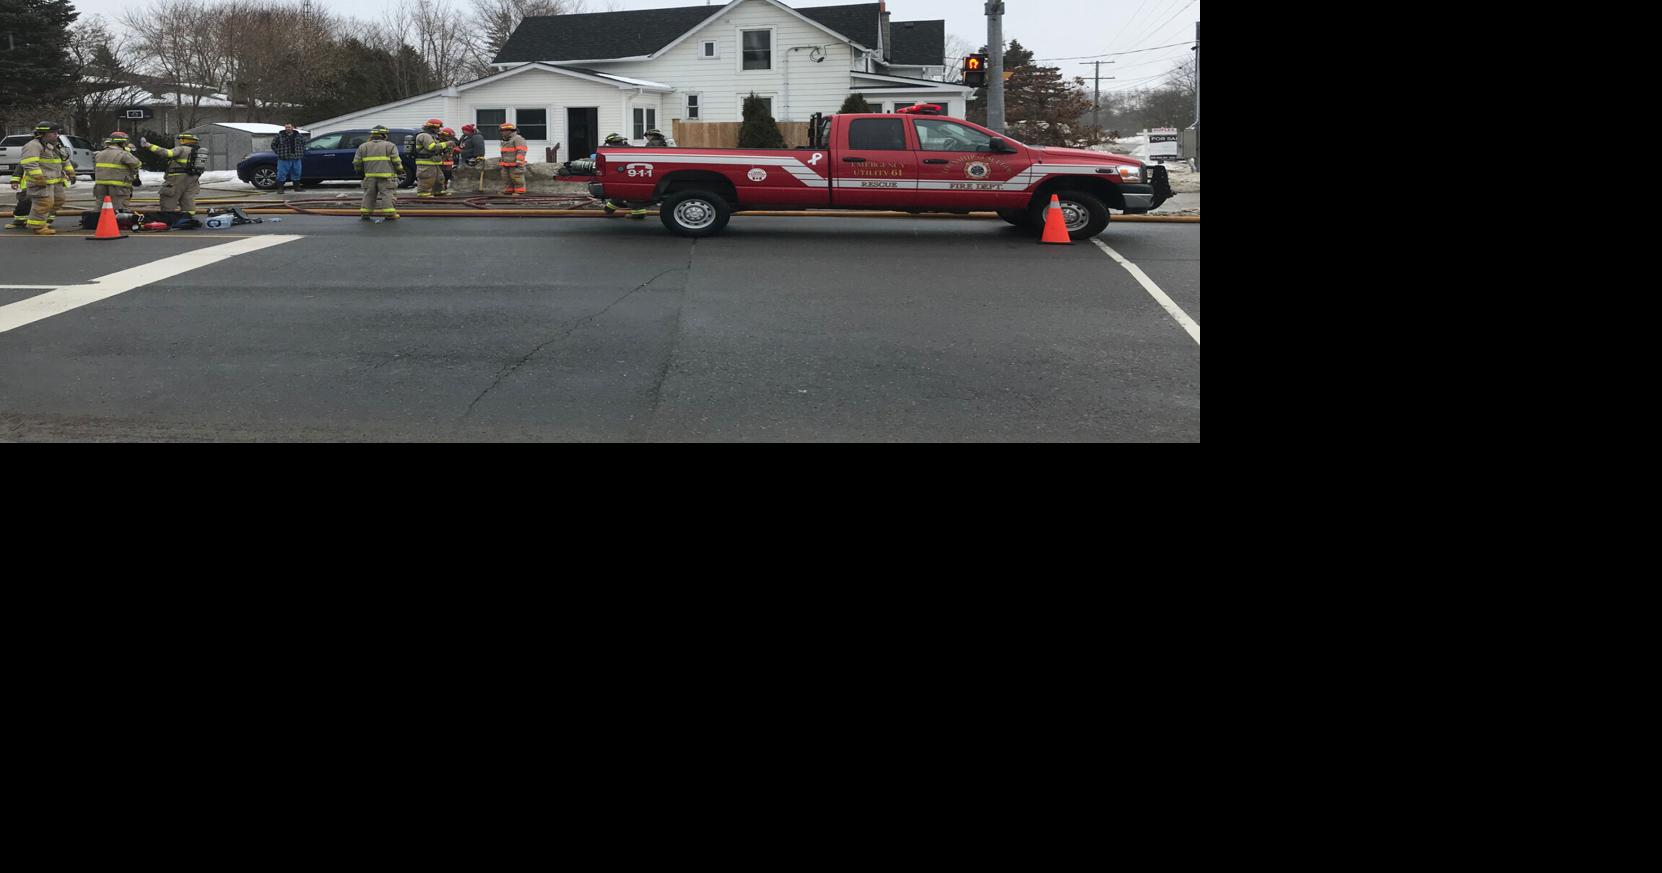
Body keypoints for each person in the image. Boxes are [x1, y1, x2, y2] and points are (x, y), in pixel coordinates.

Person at [18, 122, 73, 235]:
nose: (56, 135)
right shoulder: (33, 145)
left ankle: (42, 221)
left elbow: (64, 160)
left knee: (58, 200)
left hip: (55, 180)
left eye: (57, 132)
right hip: (41, 181)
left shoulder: (54, 145)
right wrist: (38, 177)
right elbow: (29, 163)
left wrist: (71, 172)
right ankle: (38, 226)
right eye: (53, 133)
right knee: (43, 203)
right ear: (42, 134)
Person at [141, 132, 203, 222]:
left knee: (168, 198)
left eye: (181, 139)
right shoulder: (198, 151)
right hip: (192, 179)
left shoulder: (181, 149)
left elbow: (168, 153)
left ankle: (167, 219)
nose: (179, 141)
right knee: (188, 200)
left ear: (184, 140)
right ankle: (188, 219)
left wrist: (149, 145)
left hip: (176, 179)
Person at [353, 125, 401, 221]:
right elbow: (396, 161)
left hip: (369, 176)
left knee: (369, 194)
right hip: (386, 176)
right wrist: (400, 170)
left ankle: (365, 213)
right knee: (387, 194)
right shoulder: (390, 145)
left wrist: (360, 172)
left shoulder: (363, 146)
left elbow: (357, 162)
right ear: (383, 135)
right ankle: (389, 214)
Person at [598, 134, 646, 220]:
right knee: (624, 193)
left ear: (612, 142)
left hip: (625, 176)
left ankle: (637, 215)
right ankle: (609, 209)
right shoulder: (628, 148)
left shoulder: (615, 150)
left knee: (627, 194)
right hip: (633, 175)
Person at [93, 131, 143, 212]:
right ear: (121, 143)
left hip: (100, 185)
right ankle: (117, 224)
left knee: (100, 208)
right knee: (119, 209)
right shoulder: (123, 154)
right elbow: (137, 164)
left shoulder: (100, 154)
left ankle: (98, 223)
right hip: (118, 187)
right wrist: (129, 152)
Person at [414, 118, 446, 198]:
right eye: (437, 128)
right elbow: (431, 147)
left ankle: (438, 191)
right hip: (426, 162)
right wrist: (446, 144)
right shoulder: (424, 135)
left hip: (434, 162)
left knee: (439, 178)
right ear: (431, 128)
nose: (438, 130)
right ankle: (423, 193)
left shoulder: (433, 136)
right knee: (427, 178)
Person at [271, 123, 308, 192]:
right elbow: (273, 145)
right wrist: (278, 152)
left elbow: (304, 144)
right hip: (284, 158)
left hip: (296, 158)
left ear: (293, 127)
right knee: (281, 173)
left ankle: (297, 188)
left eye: (289, 127)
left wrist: (302, 151)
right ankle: (280, 189)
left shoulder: (299, 136)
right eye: (286, 127)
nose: (287, 129)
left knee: (297, 172)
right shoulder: (279, 136)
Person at [498, 122, 527, 196]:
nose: (501, 133)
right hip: (506, 163)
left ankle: (519, 191)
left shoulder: (518, 138)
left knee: (517, 178)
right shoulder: (506, 140)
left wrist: (519, 160)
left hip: (515, 164)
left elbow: (521, 150)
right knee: (506, 178)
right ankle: (508, 190)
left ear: (509, 131)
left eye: (503, 131)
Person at [438, 127, 459, 195]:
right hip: (441, 162)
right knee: (441, 176)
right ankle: (441, 188)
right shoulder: (439, 141)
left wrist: (456, 150)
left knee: (447, 175)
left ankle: (444, 187)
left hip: (449, 162)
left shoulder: (452, 140)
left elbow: (457, 145)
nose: (450, 138)